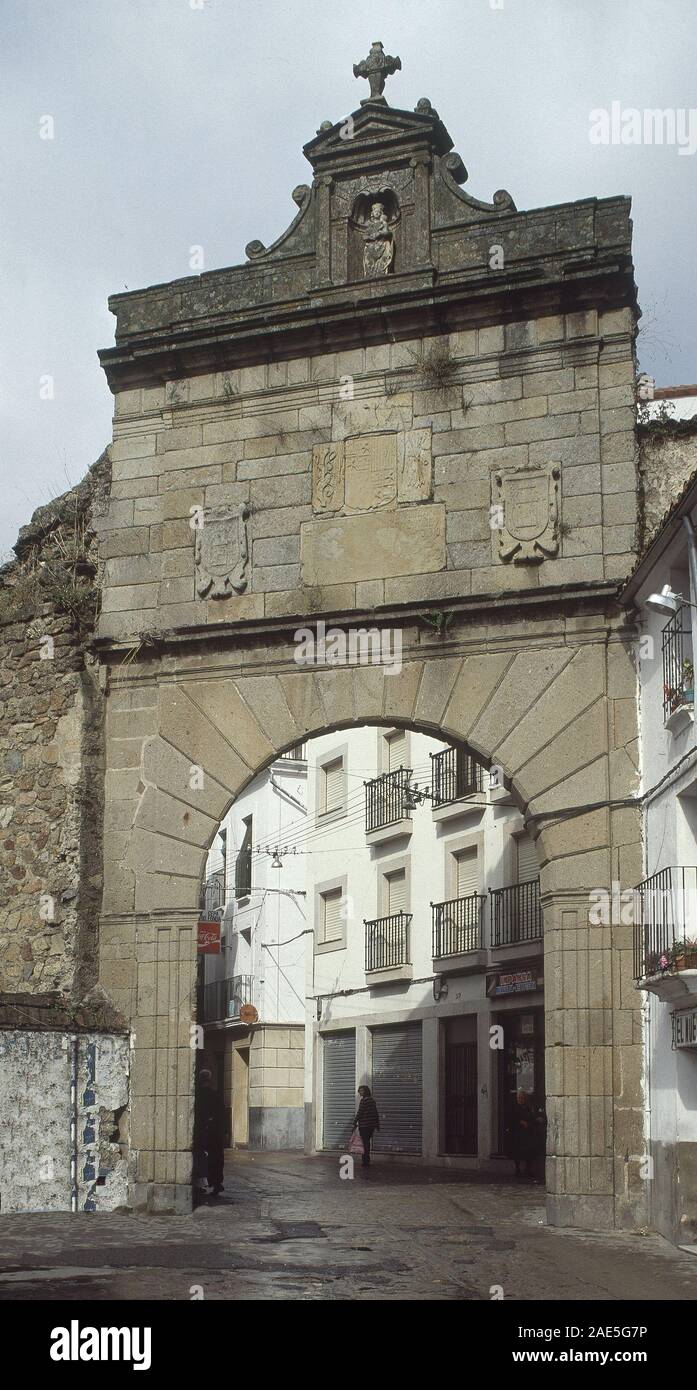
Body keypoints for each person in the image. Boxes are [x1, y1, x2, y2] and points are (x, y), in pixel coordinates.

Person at [194, 1068, 225, 1197]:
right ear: (210, 1080)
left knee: (198, 1157)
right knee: (216, 1158)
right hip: (214, 1132)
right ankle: (216, 1183)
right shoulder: (215, 1095)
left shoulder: (196, 1095)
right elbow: (222, 1114)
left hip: (200, 1131)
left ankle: (198, 1184)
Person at [510, 1089, 536, 1180]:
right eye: (519, 1098)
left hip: (527, 1134)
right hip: (518, 1134)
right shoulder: (514, 1108)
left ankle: (528, 1169)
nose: (520, 1099)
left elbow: (532, 1118)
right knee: (518, 1152)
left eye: (522, 1098)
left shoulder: (527, 1108)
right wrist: (520, 1122)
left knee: (529, 1152)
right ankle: (518, 1169)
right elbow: (511, 1120)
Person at [353, 1085, 380, 1169]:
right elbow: (375, 1113)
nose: (360, 1092)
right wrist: (377, 1124)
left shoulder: (364, 1100)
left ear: (366, 1091)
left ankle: (365, 1161)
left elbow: (360, 1112)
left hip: (364, 1125)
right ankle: (366, 1160)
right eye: (360, 1091)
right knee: (367, 1142)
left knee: (364, 1143)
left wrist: (354, 1122)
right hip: (371, 1125)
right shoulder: (372, 1100)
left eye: (362, 1091)